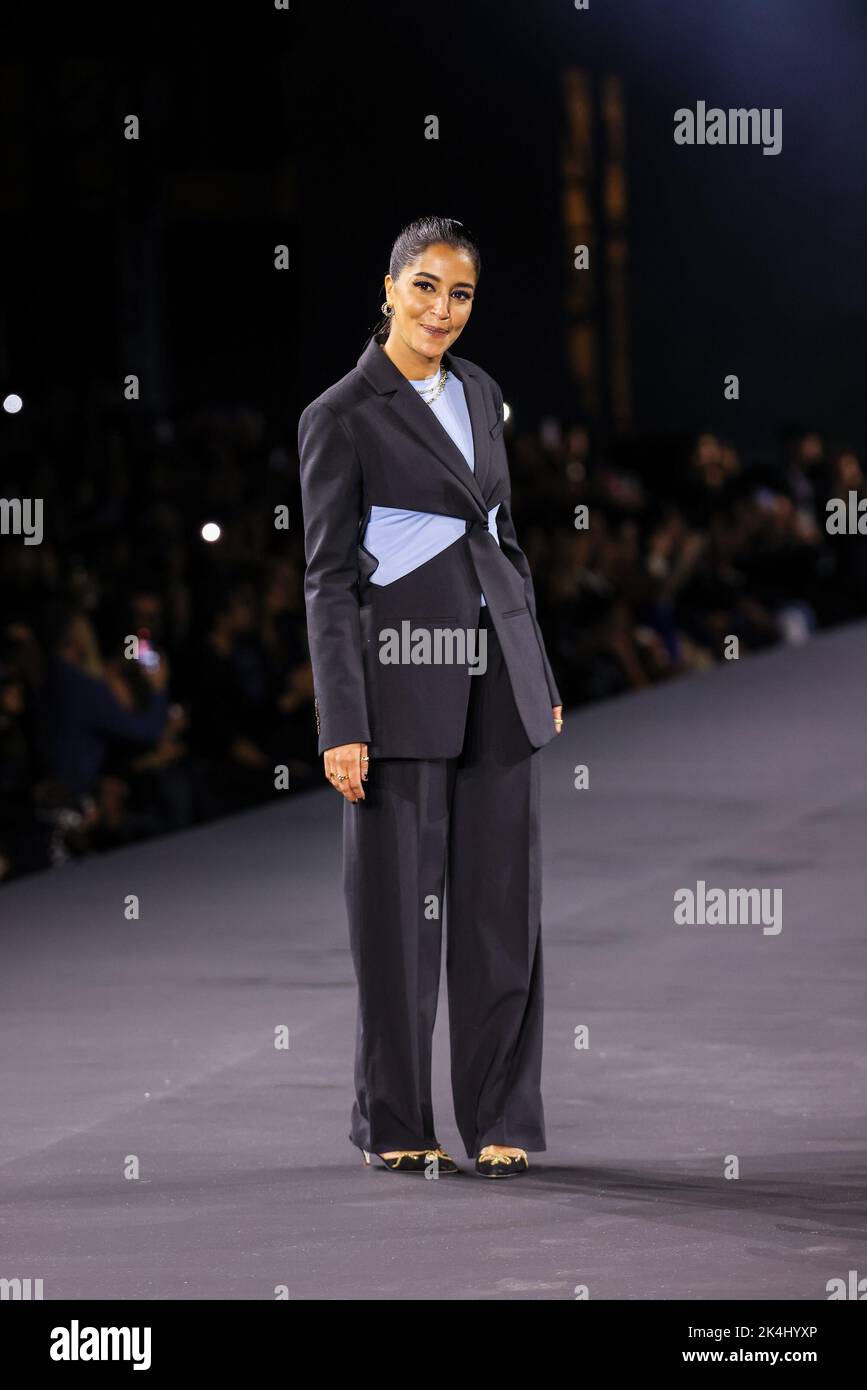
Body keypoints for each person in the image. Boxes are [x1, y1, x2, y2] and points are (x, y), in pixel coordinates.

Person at [298, 216, 563, 1178]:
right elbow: (327, 579)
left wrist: (537, 669)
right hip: (397, 680)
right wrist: (342, 721)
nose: (440, 309)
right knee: (395, 920)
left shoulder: (481, 390)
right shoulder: (341, 413)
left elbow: (504, 538)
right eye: (424, 287)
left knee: (500, 912)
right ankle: (397, 1122)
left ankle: (501, 1118)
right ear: (388, 288)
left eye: (458, 294)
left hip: (498, 676)